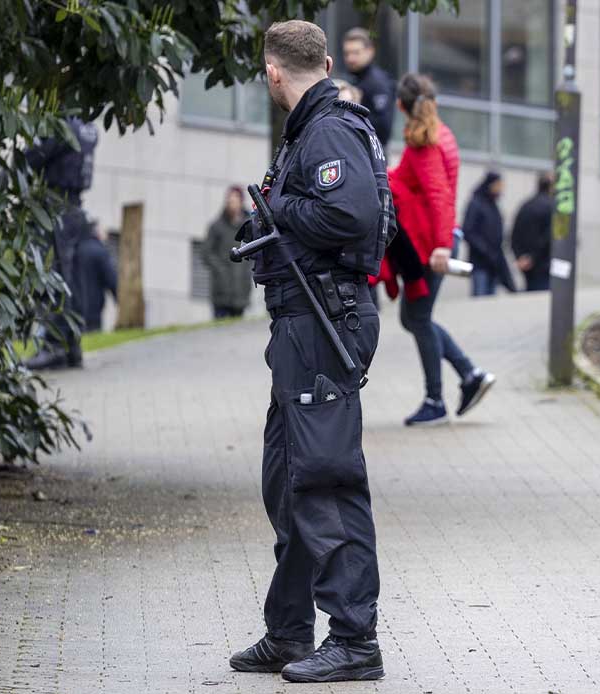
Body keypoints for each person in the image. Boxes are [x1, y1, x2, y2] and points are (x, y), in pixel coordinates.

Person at [227, 20, 389, 683]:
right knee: (288, 478)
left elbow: (350, 217)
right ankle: (289, 630)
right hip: (305, 324)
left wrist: (280, 206)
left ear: (272, 72)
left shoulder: (326, 130)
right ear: (323, 60)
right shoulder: (314, 129)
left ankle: (355, 640)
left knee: (323, 478)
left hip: (324, 320)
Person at [387, 73, 496, 426]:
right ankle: (469, 375)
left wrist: (441, 246)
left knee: (416, 317)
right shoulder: (441, 132)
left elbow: (438, 195)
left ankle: (438, 399)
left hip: (432, 244)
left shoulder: (423, 141)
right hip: (437, 239)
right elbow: (414, 181)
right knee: (415, 317)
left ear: (401, 105)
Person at [23, 116, 98, 369]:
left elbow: (33, 157)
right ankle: (72, 347)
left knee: (55, 277)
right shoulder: (90, 127)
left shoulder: (66, 127)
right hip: (75, 207)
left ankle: (54, 347)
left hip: (57, 207)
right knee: (72, 280)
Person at [461, 171, 516, 296]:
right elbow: (468, 231)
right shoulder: (476, 203)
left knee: (490, 300)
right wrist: (485, 250)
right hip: (480, 263)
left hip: (493, 264)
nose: (501, 189)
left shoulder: (493, 205)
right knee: (480, 299)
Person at [203, 186, 253, 319]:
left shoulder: (249, 226)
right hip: (221, 290)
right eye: (229, 201)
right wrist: (220, 270)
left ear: (241, 202)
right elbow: (206, 253)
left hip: (241, 289)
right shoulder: (216, 226)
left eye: (234, 201)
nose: (232, 204)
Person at [342, 27, 395, 148]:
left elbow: (384, 130)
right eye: (347, 53)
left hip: (373, 154)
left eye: (356, 53)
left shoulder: (377, 83)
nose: (350, 58)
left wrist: (354, 108)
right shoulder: (358, 79)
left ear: (370, 51)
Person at [71, 220, 116, 332]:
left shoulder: (75, 248)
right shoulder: (100, 251)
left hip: (73, 306)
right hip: (94, 309)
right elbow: (112, 279)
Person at [510, 172, 553, 291]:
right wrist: (532, 258)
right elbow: (548, 238)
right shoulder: (551, 207)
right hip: (543, 265)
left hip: (527, 265)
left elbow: (514, 234)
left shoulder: (526, 205)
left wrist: (520, 257)